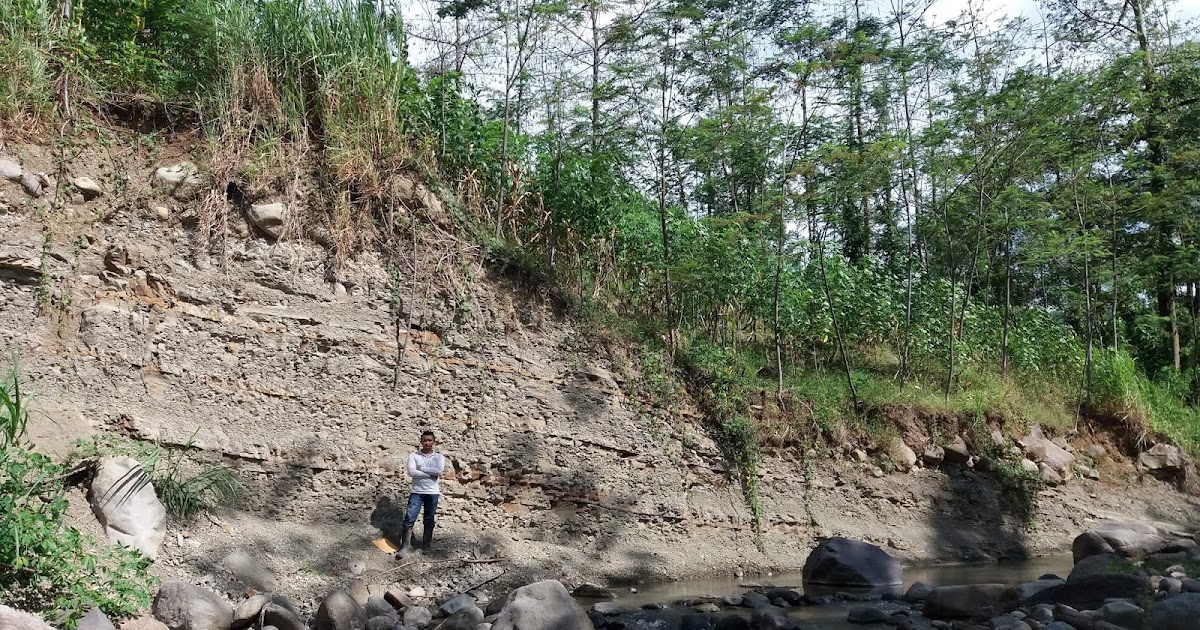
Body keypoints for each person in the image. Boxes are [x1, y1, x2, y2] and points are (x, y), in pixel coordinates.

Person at [399, 430, 445, 557]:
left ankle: (426, 545)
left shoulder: (439, 457)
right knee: (409, 518)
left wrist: (422, 469)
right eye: (425, 440)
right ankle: (405, 546)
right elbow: (411, 472)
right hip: (417, 492)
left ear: (434, 442)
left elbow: (439, 471)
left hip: (432, 493)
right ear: (421, 442)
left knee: (429, 520)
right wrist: (431, 474)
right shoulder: (414, 456)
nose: (427, 443)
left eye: (430, 440)